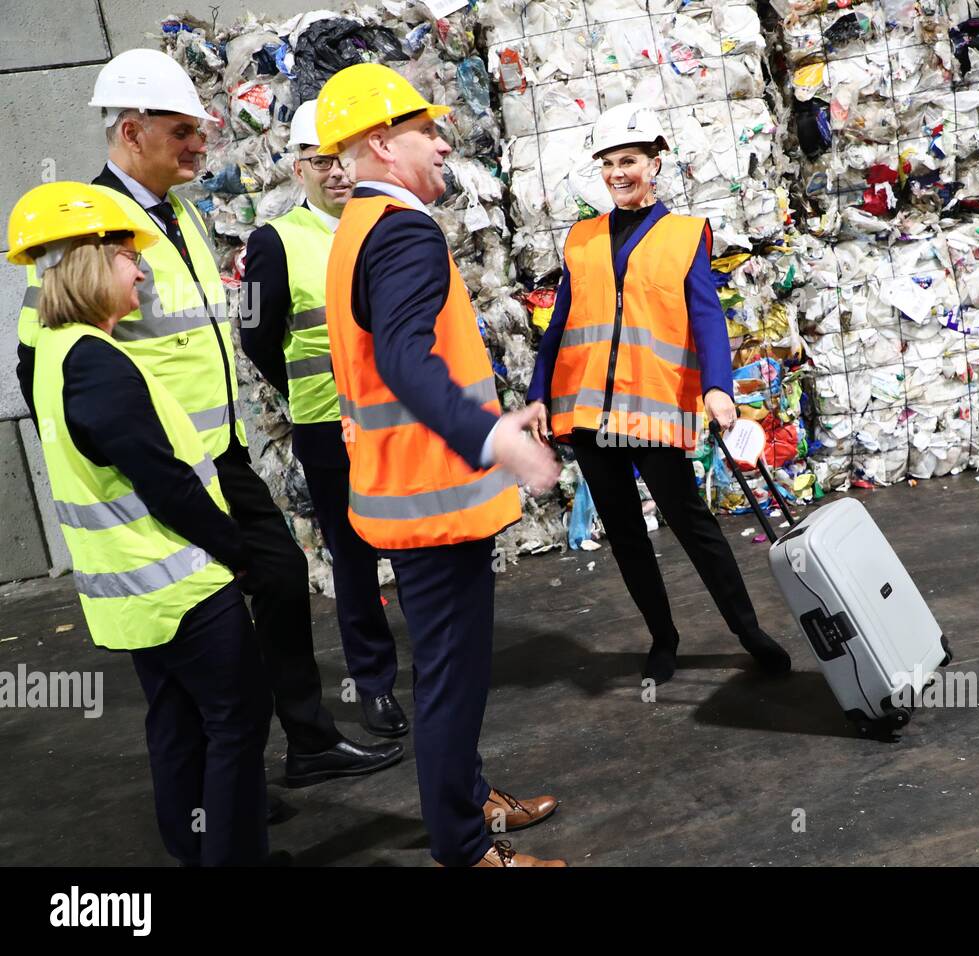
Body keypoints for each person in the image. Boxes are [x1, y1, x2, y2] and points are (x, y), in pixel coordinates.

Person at [12, 49, 400, 787]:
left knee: (278, 579)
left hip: (217, 452)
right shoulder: (89, 224)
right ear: (132, 132)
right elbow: (41, 360)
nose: (200, 146)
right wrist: (96, 454)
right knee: (207, 621)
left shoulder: (181, 214)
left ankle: (299, 745)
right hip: (155, 466)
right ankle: (225, 786)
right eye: (184, 131)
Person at [317, 63, 565, 867]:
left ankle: (470, 802)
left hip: (407, 490)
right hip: (433, 499)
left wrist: (492, 417)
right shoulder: (403, 230)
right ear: (383, 144)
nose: (441, 142)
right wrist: (496, 442)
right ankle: (464, 848)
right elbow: (404, 362)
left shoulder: (356, 225)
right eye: (427, 131)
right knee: (453, 680)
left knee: (448, 671)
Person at [7, 181, 272, 865]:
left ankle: (197, 847)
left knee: (179, 725)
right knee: (234, 724)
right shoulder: (96, 363)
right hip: (180, 588)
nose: (143, 269)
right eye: (129, 257)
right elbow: (166, 484)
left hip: (136, 598)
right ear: (92, 263)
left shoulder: (54, 354)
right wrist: (236, 549)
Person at [526, 103, 792, 685]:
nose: (618, 173)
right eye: (608, 164)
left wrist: (719, 389)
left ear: (654, 164)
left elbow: (706, 315)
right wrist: (539, 392)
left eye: (629, 161)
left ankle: (748, 632)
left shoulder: (683, 234)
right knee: (623, 531)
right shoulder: (581, 237)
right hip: (587, 409)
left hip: (647, 407)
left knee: (692, 524)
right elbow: (561, 324)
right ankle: (662, 637)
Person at [240, 101, 407, 739]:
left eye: (343, 160)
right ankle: (374, 683)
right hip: (328, 425)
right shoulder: (273, 241)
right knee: (354, 555)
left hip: (399, 419)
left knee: (415, 543)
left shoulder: (385, 225)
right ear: (297, 168)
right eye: (320, 162)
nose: (336, 174)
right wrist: (303, 392)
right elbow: (255, 333)